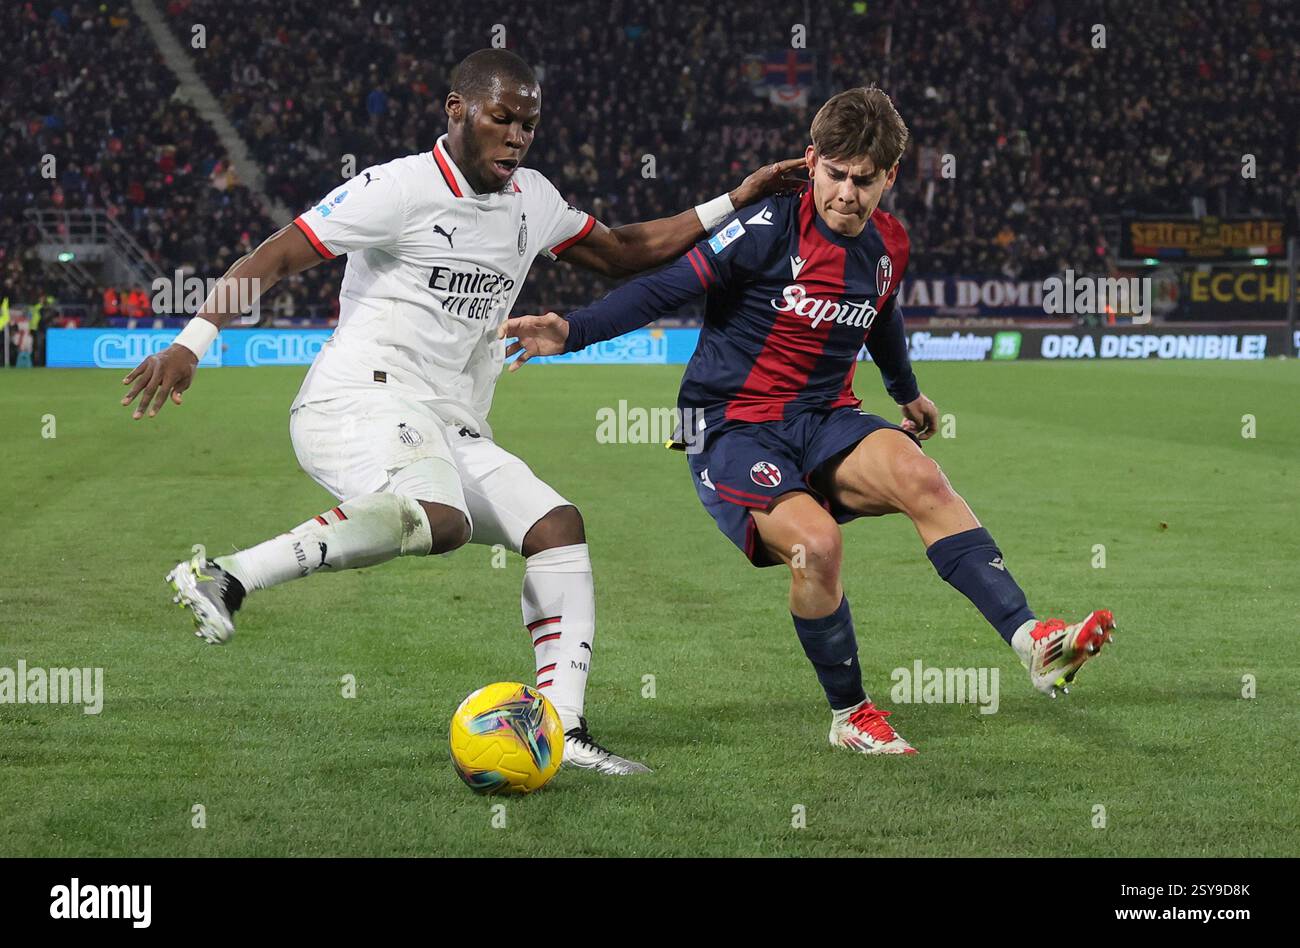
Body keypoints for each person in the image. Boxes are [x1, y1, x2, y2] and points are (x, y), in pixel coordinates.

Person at [119, 48, 804, 775]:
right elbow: (275, 256)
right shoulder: (397, 188)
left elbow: (625, 251)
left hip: (451, 421)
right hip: (359, 397)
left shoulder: (532, 200)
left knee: (556, 527)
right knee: (441, 519)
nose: (516, 136)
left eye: (529, 125)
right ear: (458, 110)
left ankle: (560, 729)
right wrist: (191, 344)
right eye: (502, 118)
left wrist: (735, 198)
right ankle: (224, 575)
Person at [500, 87, 1116, 755]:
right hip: (730, 425)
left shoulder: (888, 245)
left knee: (924, 478)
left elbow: (879, 310)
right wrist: (574, 330)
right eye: (836, 175)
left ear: (890, 177)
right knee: (815, 546)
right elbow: (666, 285)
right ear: (812, 160)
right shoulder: (766, 230)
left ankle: (1035, 644)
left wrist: (907, 394)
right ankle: (850, 711)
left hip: (825, 417)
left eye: (865, 180)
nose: (848, 194)